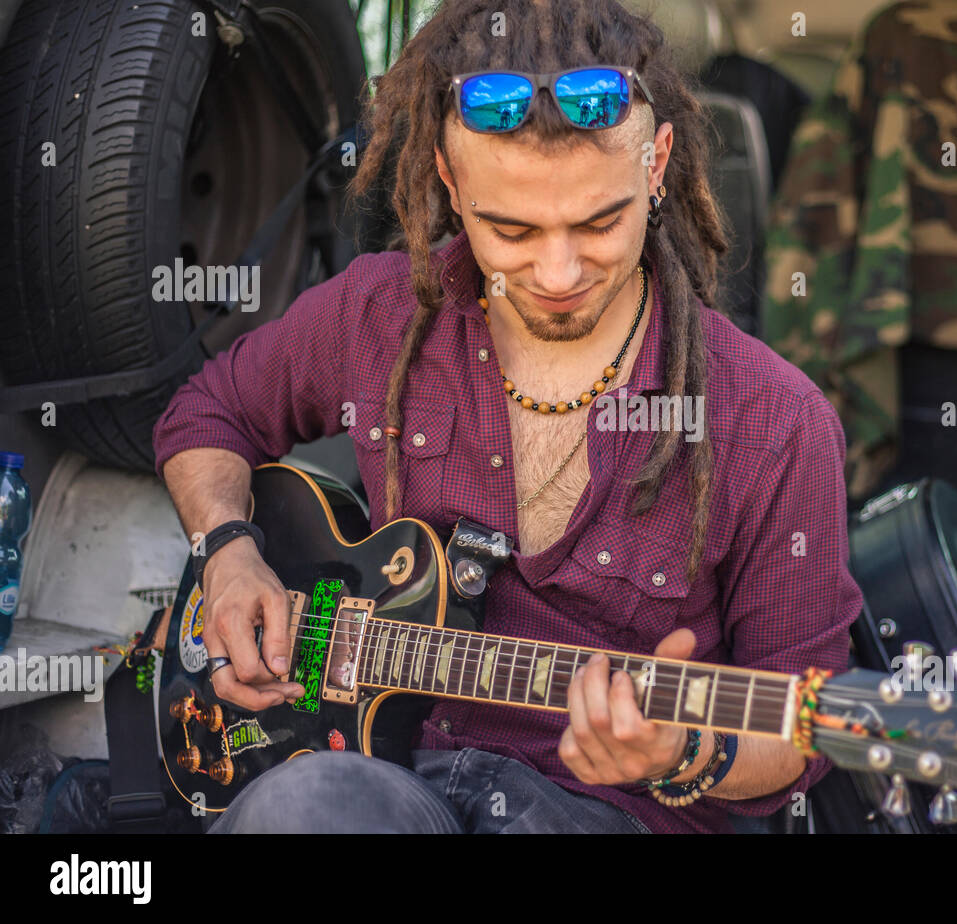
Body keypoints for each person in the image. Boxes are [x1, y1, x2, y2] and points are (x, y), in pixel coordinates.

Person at [152, 0, 860, 834]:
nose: (558, 271)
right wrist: (228, 552)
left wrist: (683, 755)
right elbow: (208, 414)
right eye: (511, 230)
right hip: (382, 780)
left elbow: (806, 728)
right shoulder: (375, 312)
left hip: (604, 816)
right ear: (452, 183)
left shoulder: (774, 422)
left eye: (600, 222)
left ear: (656, 163)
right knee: (302, 810)